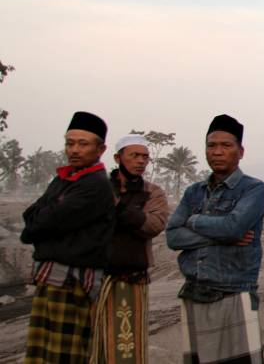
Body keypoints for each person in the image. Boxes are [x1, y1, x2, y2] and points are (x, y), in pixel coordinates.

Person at [165, 114, 264, 364]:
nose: (218, 152)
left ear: (240, 152)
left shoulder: (253, 189)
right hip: (194, 292)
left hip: (233, 293)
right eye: (211, 146)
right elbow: (172, 236)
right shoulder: (194, 192)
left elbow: (233, 228)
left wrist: (194, 220)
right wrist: (218, 237)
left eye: (226, 146)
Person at [21, 111, 116, 363]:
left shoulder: (95, 185)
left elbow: (41, 222)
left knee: (64, 355)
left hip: (71, 282)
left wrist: (43, 225)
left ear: (100, 149)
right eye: (69, 143)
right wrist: (43, 223)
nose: (74, 150)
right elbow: (31, 218)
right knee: (40, 352)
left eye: (83, 144)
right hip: (52, 278)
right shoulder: (64, 179)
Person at [90, 133, 169, 364]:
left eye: (145, 157)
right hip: (94, 278)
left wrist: (118, 211)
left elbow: (154, 224)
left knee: (126, 348)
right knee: (93, 345)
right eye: (134, 155)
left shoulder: (153, 192)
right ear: (118, 157)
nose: (141, 161)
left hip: (130, 280)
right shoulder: (99, 187)